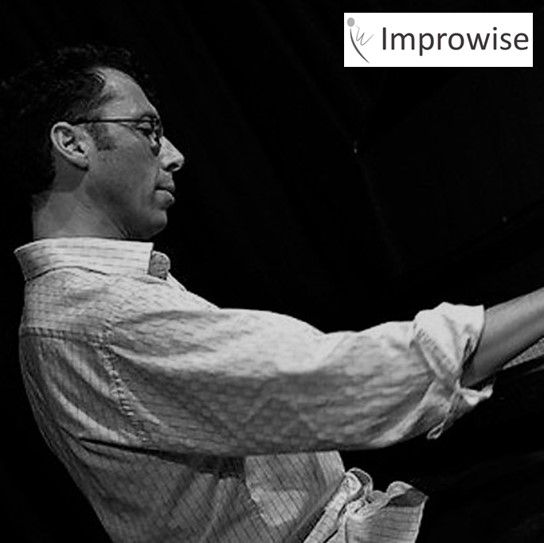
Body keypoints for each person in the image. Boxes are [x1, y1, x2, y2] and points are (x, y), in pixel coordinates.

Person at [4, 43, 544, 543]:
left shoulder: (86, 303)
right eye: (148, 129)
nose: (173, 155)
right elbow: (338, 381)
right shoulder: (99, 318)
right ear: (72, 143)